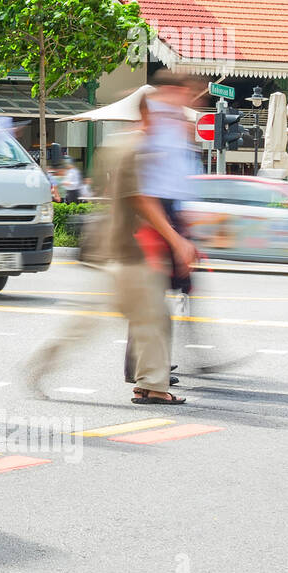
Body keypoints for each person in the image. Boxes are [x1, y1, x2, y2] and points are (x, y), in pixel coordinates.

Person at [108, 96, 198, 404]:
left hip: (134, 250)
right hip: (134, 251)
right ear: (148, 116)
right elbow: (144, 201)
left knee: (153, 318)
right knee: (154, 318)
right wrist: (177, 241)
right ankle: (153, 386)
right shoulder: (138, 149)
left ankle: (147, 384)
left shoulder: (136, 147)